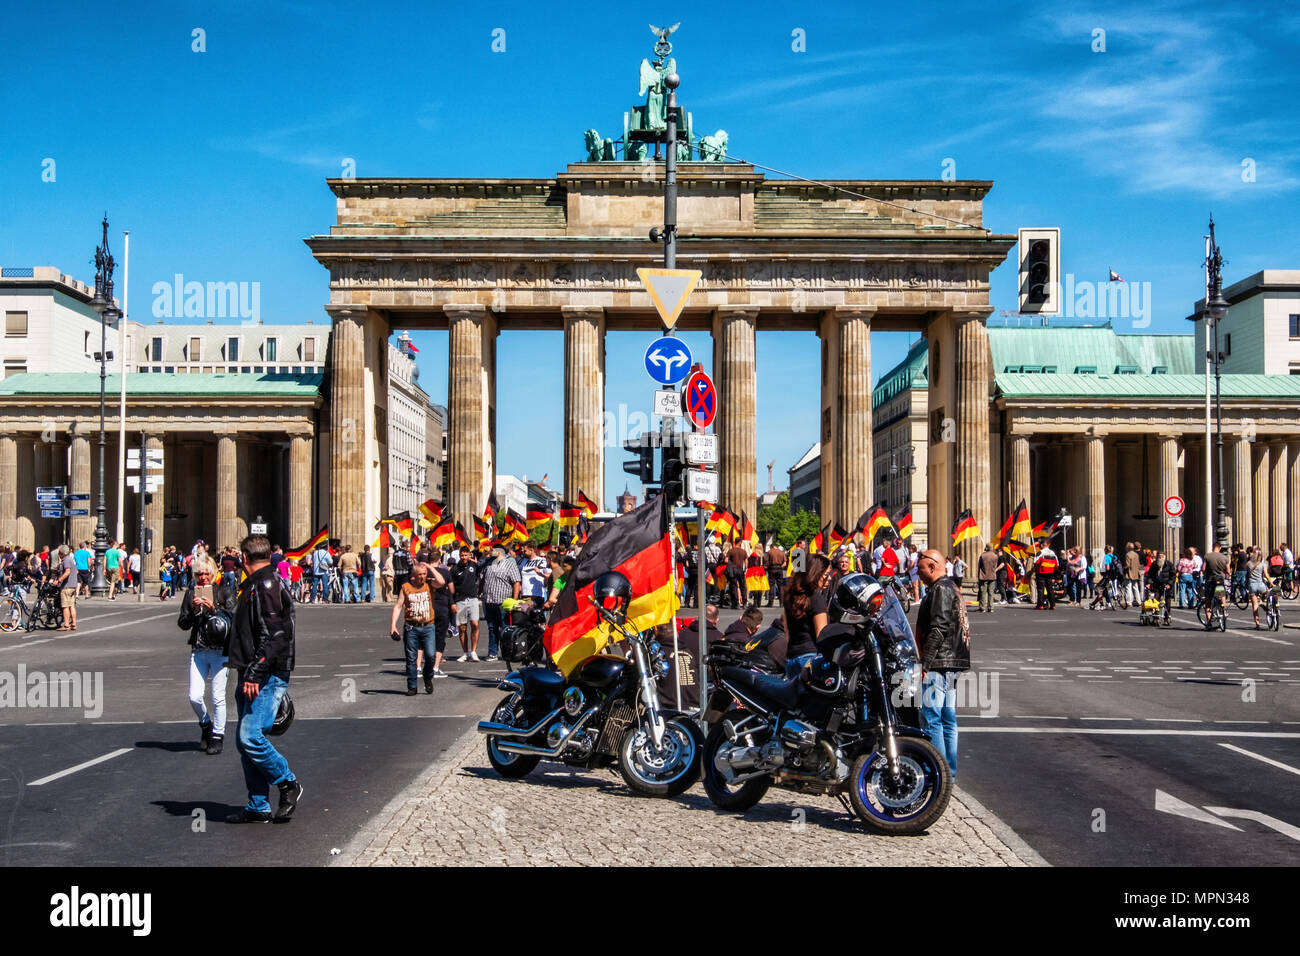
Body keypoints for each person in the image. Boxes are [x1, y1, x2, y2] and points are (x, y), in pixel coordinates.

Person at [226, 534, 302, 824]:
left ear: (244, 559)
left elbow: (276, 635)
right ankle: (258, 805)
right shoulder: (258, 584)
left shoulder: (266, 584)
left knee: (250, 736)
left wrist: (256, 671)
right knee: (244, 741)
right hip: (251, 672)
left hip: (264, 674)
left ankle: (287, 783)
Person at [914, 548, 969, 778]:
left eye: (919, 568)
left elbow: (938, 628)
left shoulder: (940, 589)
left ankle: (937, 773)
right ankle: (948, 773)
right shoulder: (951, 587)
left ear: (932, 565)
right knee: (947, 718)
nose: (917, 572)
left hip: (939, 661)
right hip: (952, 661)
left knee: (932, 718)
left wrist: (925, 663)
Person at [177, 557, 237, 755]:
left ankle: (218, 736)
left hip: (220, 650)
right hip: (199, 649)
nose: (202, 578)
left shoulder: (224, 591)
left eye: (206, 574)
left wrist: (214, 609)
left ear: (213, 574)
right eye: (198, 574)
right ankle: (205, 724)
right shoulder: (191, 593)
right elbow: (183, 623)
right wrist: (194, 611)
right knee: (194, 696)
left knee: (218, 697)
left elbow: (233, 617)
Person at [390, 562, 448, 694]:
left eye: (424, 574)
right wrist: (393, 625)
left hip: (428, 626)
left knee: (430, 655)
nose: (422, 577)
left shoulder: (429, 585)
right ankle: (412, 686)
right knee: (411, 658)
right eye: (419, 574)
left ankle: (428, 677)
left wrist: (429, 567)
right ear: (413, 576)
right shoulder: (406, 587)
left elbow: (441, 581)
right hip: (411, 627)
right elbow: (398, 606)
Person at [780, 553, 831, 669]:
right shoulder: (817, 598)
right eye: (826, 575)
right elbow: (821, 636)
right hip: (811, 657)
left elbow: (786, 631)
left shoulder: (790, 596)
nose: (829, 578)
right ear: (816, 574)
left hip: (791, 658)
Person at [480, 546, 522, 662]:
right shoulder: (489, 564)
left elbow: (516, 582)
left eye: (493, 550)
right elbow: (483, 579)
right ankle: (492, 653)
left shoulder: (510, 564)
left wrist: (514, 600)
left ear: (498, 552)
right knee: (492, 628)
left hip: (503, 602)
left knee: (505, 628)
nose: (490, 551)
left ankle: (507, 653)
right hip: (489, 601)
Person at [451, 545, 484, 659]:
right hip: (460, 600)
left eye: (466, 555)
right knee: (462, 628)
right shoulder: (455, 569)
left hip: (473, 599)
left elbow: (483, 572)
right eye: (462, 555)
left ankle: (473, 652)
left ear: (470, 555)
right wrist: (452, 603)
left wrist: (478, 563)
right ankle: (465, 653)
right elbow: (451, 587)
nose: (464, 557)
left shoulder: (474, 565)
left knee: (475, 624)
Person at [1246, 550, 1273, 629]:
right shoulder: (1262, 564)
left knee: (1254, 606)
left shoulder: (1249, 564)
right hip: (1261, 585)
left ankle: (1257, 624)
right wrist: (1271, 583)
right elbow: (1266, 575)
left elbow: (1246, 576)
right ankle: (1262, 600)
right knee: (1267, 592)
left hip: (1252, 585)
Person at [519, 543, 551, 609]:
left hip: (536, 595)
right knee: (524, 616)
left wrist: (541, 574)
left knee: (535, 616)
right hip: (524, 595)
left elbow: (551, 575)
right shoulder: (523, 561)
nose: (523, 552)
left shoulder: (542, 561)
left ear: (532, 550)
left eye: (525, 551)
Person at [55, 545, 78, 630]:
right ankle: (74, 624)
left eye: (59, 553)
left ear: (62, 553)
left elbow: (67, 572)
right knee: (71, 605)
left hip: (66, 586)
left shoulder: (66, 560)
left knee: (65, 606)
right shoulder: (71, 559)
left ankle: (66, 625)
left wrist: (59, 580)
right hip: (73, 585)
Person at [725, 539, 747, 609]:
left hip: (733, 570)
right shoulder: (743, 551)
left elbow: (726, 560)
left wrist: (730, 563)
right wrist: (745, 569)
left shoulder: (731, 551)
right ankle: (744, 603)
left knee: (734, 587)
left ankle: (736, 603)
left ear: (734, 542)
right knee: (743, 587)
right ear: (740, 543)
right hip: (740, 570)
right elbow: (746, 562)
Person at [976, 543, 998, 613]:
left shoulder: (982, 556)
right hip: (992, 575)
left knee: (983, 592)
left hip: (983, 576)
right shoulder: (995, 556)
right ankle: (991, 607)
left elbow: (979, 565)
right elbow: (995, 565)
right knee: (991, 593)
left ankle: (983, 608)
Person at [765, 540, 786, 608]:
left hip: (772, 569)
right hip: (779, 569)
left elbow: (767, 562)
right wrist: (780, 567)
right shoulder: (782, 552)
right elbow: (785, 563)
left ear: (772, 546)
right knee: (780, 586)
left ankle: (770, 603)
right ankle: (781, 603)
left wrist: (767, 568)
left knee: (771, 586)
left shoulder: (769, 552)